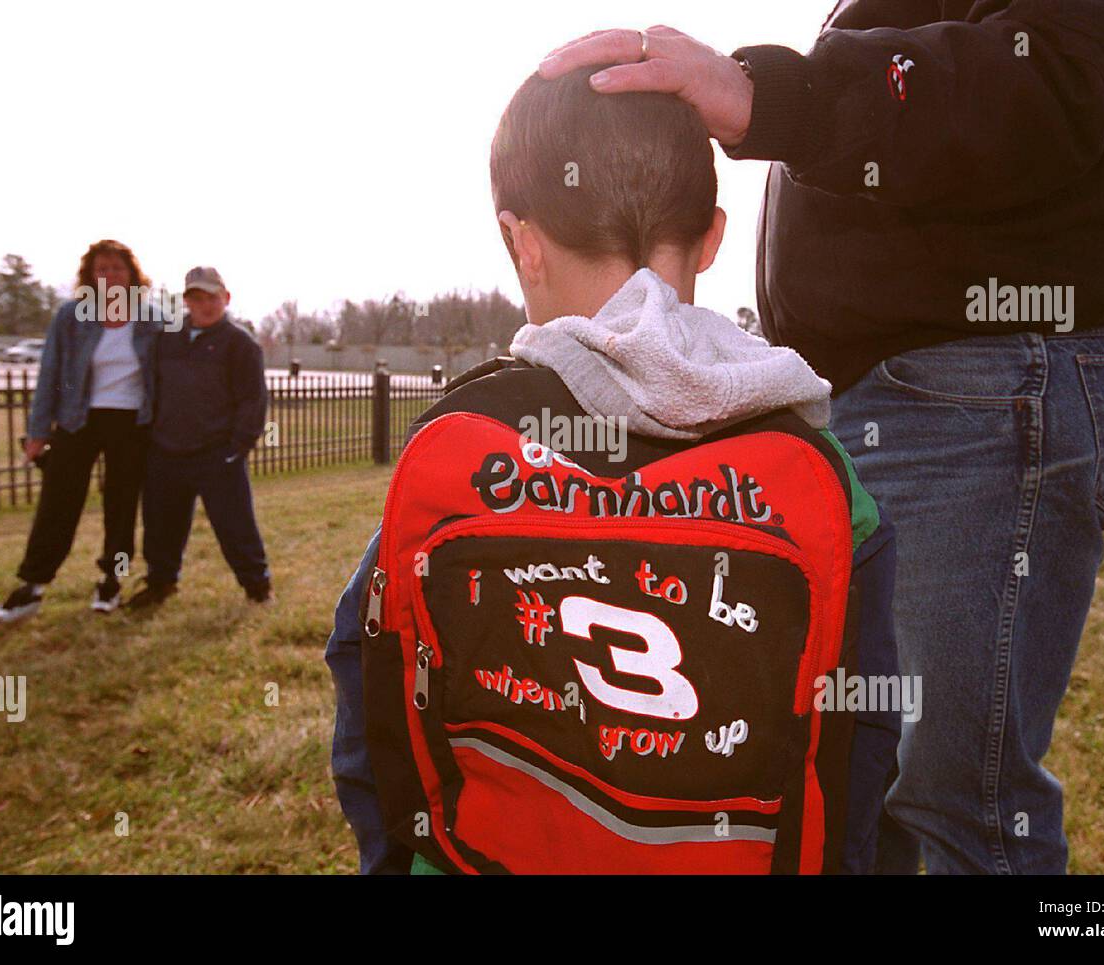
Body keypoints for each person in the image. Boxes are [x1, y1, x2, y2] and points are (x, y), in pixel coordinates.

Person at [537, 1, 1104, 873]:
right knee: (867, 783)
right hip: (920, 394)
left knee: (957, 812)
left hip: (975, 392)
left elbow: (1046, 81)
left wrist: (762, 91)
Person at [326, 66, 900, 874]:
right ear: (712, 236)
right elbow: (861, 750)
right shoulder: (822, 476)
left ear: (522, 243)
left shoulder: (462, 446)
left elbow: (369, 704)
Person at [0, 240, 159, 623]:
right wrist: (38, 432)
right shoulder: (71, 317)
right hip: (77, 420)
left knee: (121, 506)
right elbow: (50, 374)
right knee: (57, 503)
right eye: (102, 269)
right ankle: (31, 586)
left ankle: (112, 580)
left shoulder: (152, 319)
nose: (110, 276)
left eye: (118, 268)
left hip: (131, 423)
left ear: (131, 275)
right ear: (89, 276)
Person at [128, 266, 273, 607]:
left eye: (212, 297)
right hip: (166, 450)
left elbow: (253, 400)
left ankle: (257, 587)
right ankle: (160, 583)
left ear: (226, 299)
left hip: (216, 453)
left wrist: (237, 446)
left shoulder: (240, 344)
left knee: (235, 524)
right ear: (186, 301)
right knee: (161, 525)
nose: (205, 305)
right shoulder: (167, 338)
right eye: (196, 298)